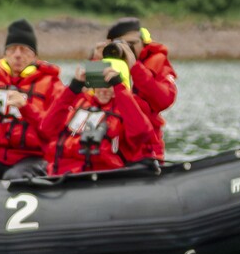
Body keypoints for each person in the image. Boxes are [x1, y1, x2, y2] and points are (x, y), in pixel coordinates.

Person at [0, 18, 61, 182]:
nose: (17, 55)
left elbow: (54, 133)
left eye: (24, 50)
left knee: (14, 178)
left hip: (32, 158)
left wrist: (26, 107)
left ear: (33, 55)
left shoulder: (53, 86)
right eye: (12, 49)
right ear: (5, 53)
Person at [40, 57, 160, 175]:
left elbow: (141, 133)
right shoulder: (79, 102)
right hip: (63, 176)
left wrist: (119, 88)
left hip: (101, 179)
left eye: (109, 84)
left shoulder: (130, 108)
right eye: (99, 82)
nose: (103, 89)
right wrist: (73, 88)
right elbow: (47, 129)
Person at [98, 17, 176, 160]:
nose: (129, 49)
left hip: (146, 146)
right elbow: (90, 100)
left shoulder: (156, 61)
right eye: (123, 45)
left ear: (143, 42)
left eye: (132, 44)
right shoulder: (106, 62)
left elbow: (164, 100)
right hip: (111, 144)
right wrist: (97, 61)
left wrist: (136, 68)